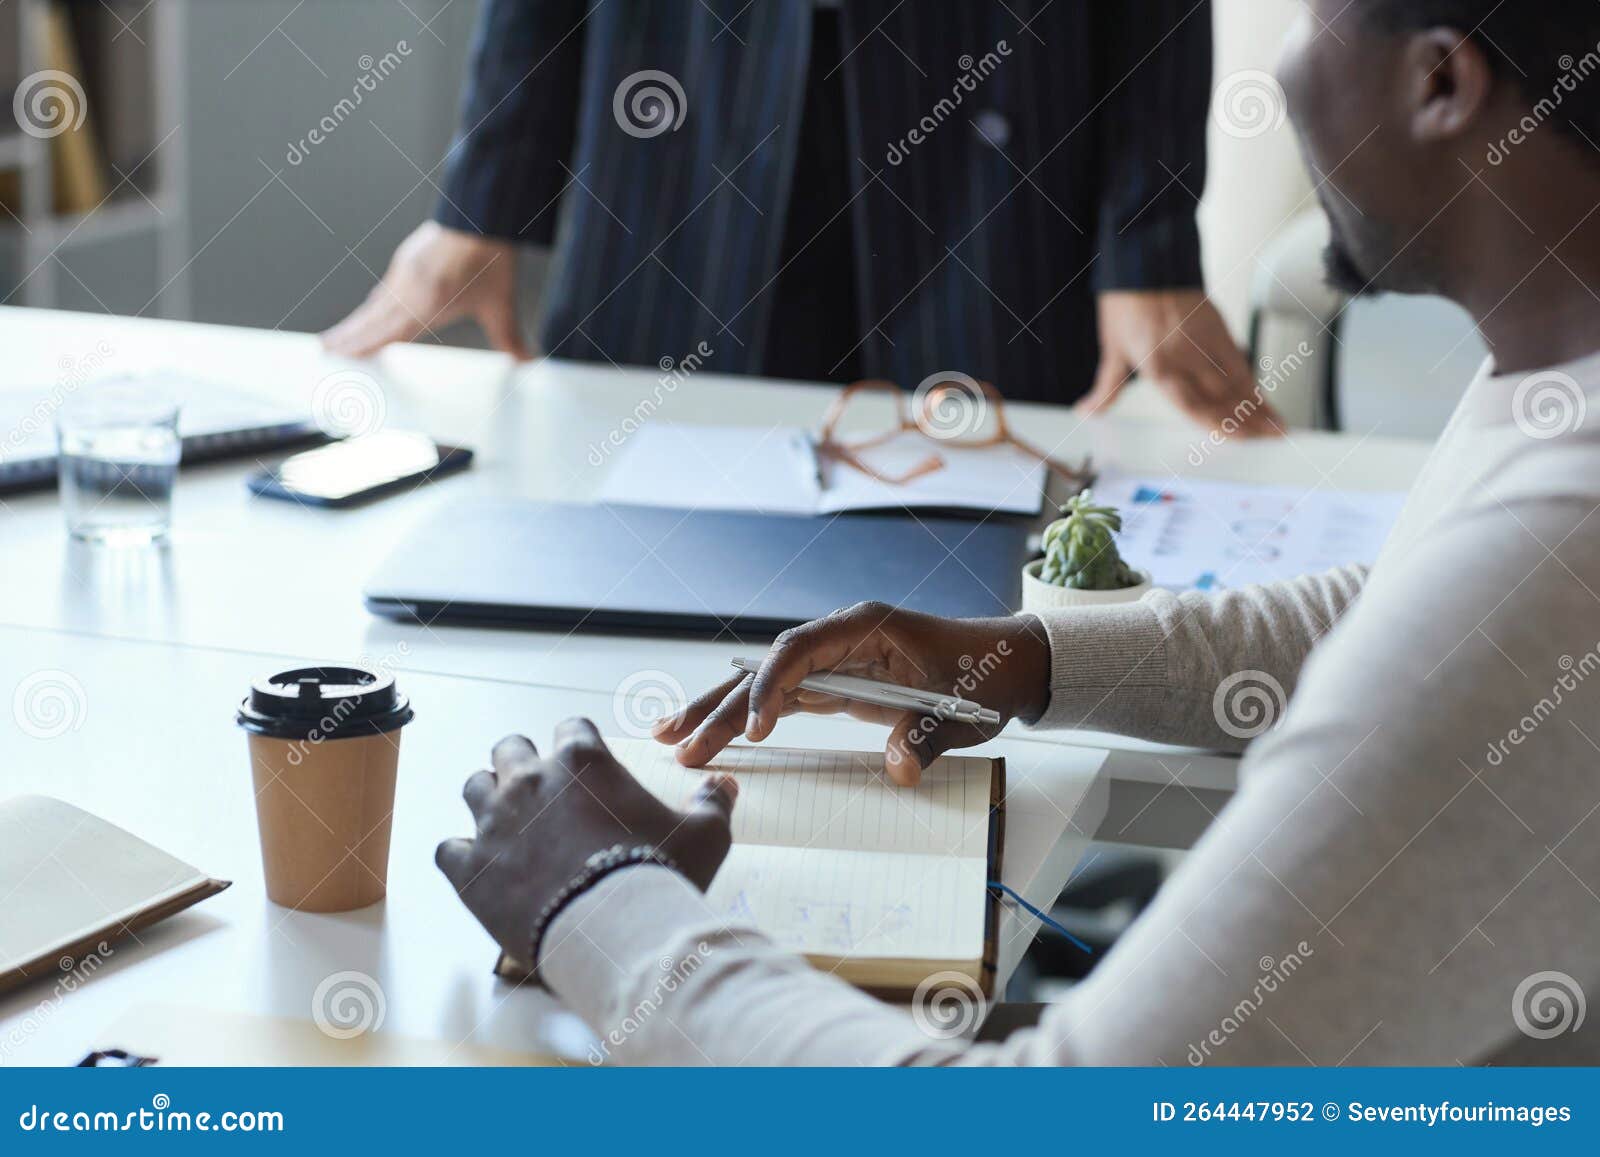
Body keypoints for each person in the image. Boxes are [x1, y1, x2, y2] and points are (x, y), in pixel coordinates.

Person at [436, 0, 1600, 1064]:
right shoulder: (1549, 395)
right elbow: (1411, 607)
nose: (1285, 72)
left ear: (1441, 83)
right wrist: (1024, 656)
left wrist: (601, 905)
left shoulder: (1557, 556)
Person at [321, 0, 1277, 432]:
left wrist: (1149, 238)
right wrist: (484, 202)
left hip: (992, 141)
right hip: (681, 126)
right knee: (633, 578)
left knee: (977, 606)